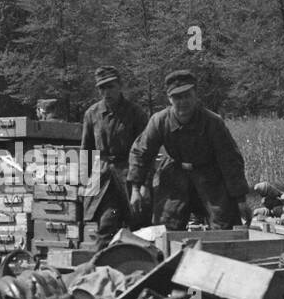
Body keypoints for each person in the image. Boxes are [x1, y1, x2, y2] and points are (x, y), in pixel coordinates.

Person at [127, 69, 253, 230]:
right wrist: (136, 189)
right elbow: (141, 152)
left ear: (196, 95)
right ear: (169, 99)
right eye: (177, 97)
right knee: (165, 226)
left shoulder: (213, 122)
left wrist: (240, 199)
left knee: (225, 224)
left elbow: (230, 160)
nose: (183, 102)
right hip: (175, 175)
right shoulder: (159, 121)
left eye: (187, 95)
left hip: (210, 175)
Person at [80, 65, 148, 236]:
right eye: (102, 88)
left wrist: (142, 185)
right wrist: (83, 183)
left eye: (110, 86)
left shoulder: (136, 113)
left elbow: (146, 152)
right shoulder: (92, 114)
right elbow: (86, 151)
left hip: (129, 176)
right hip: (103, 178)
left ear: (120, 86)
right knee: (106, 224)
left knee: (139, 227)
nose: (106, 92)